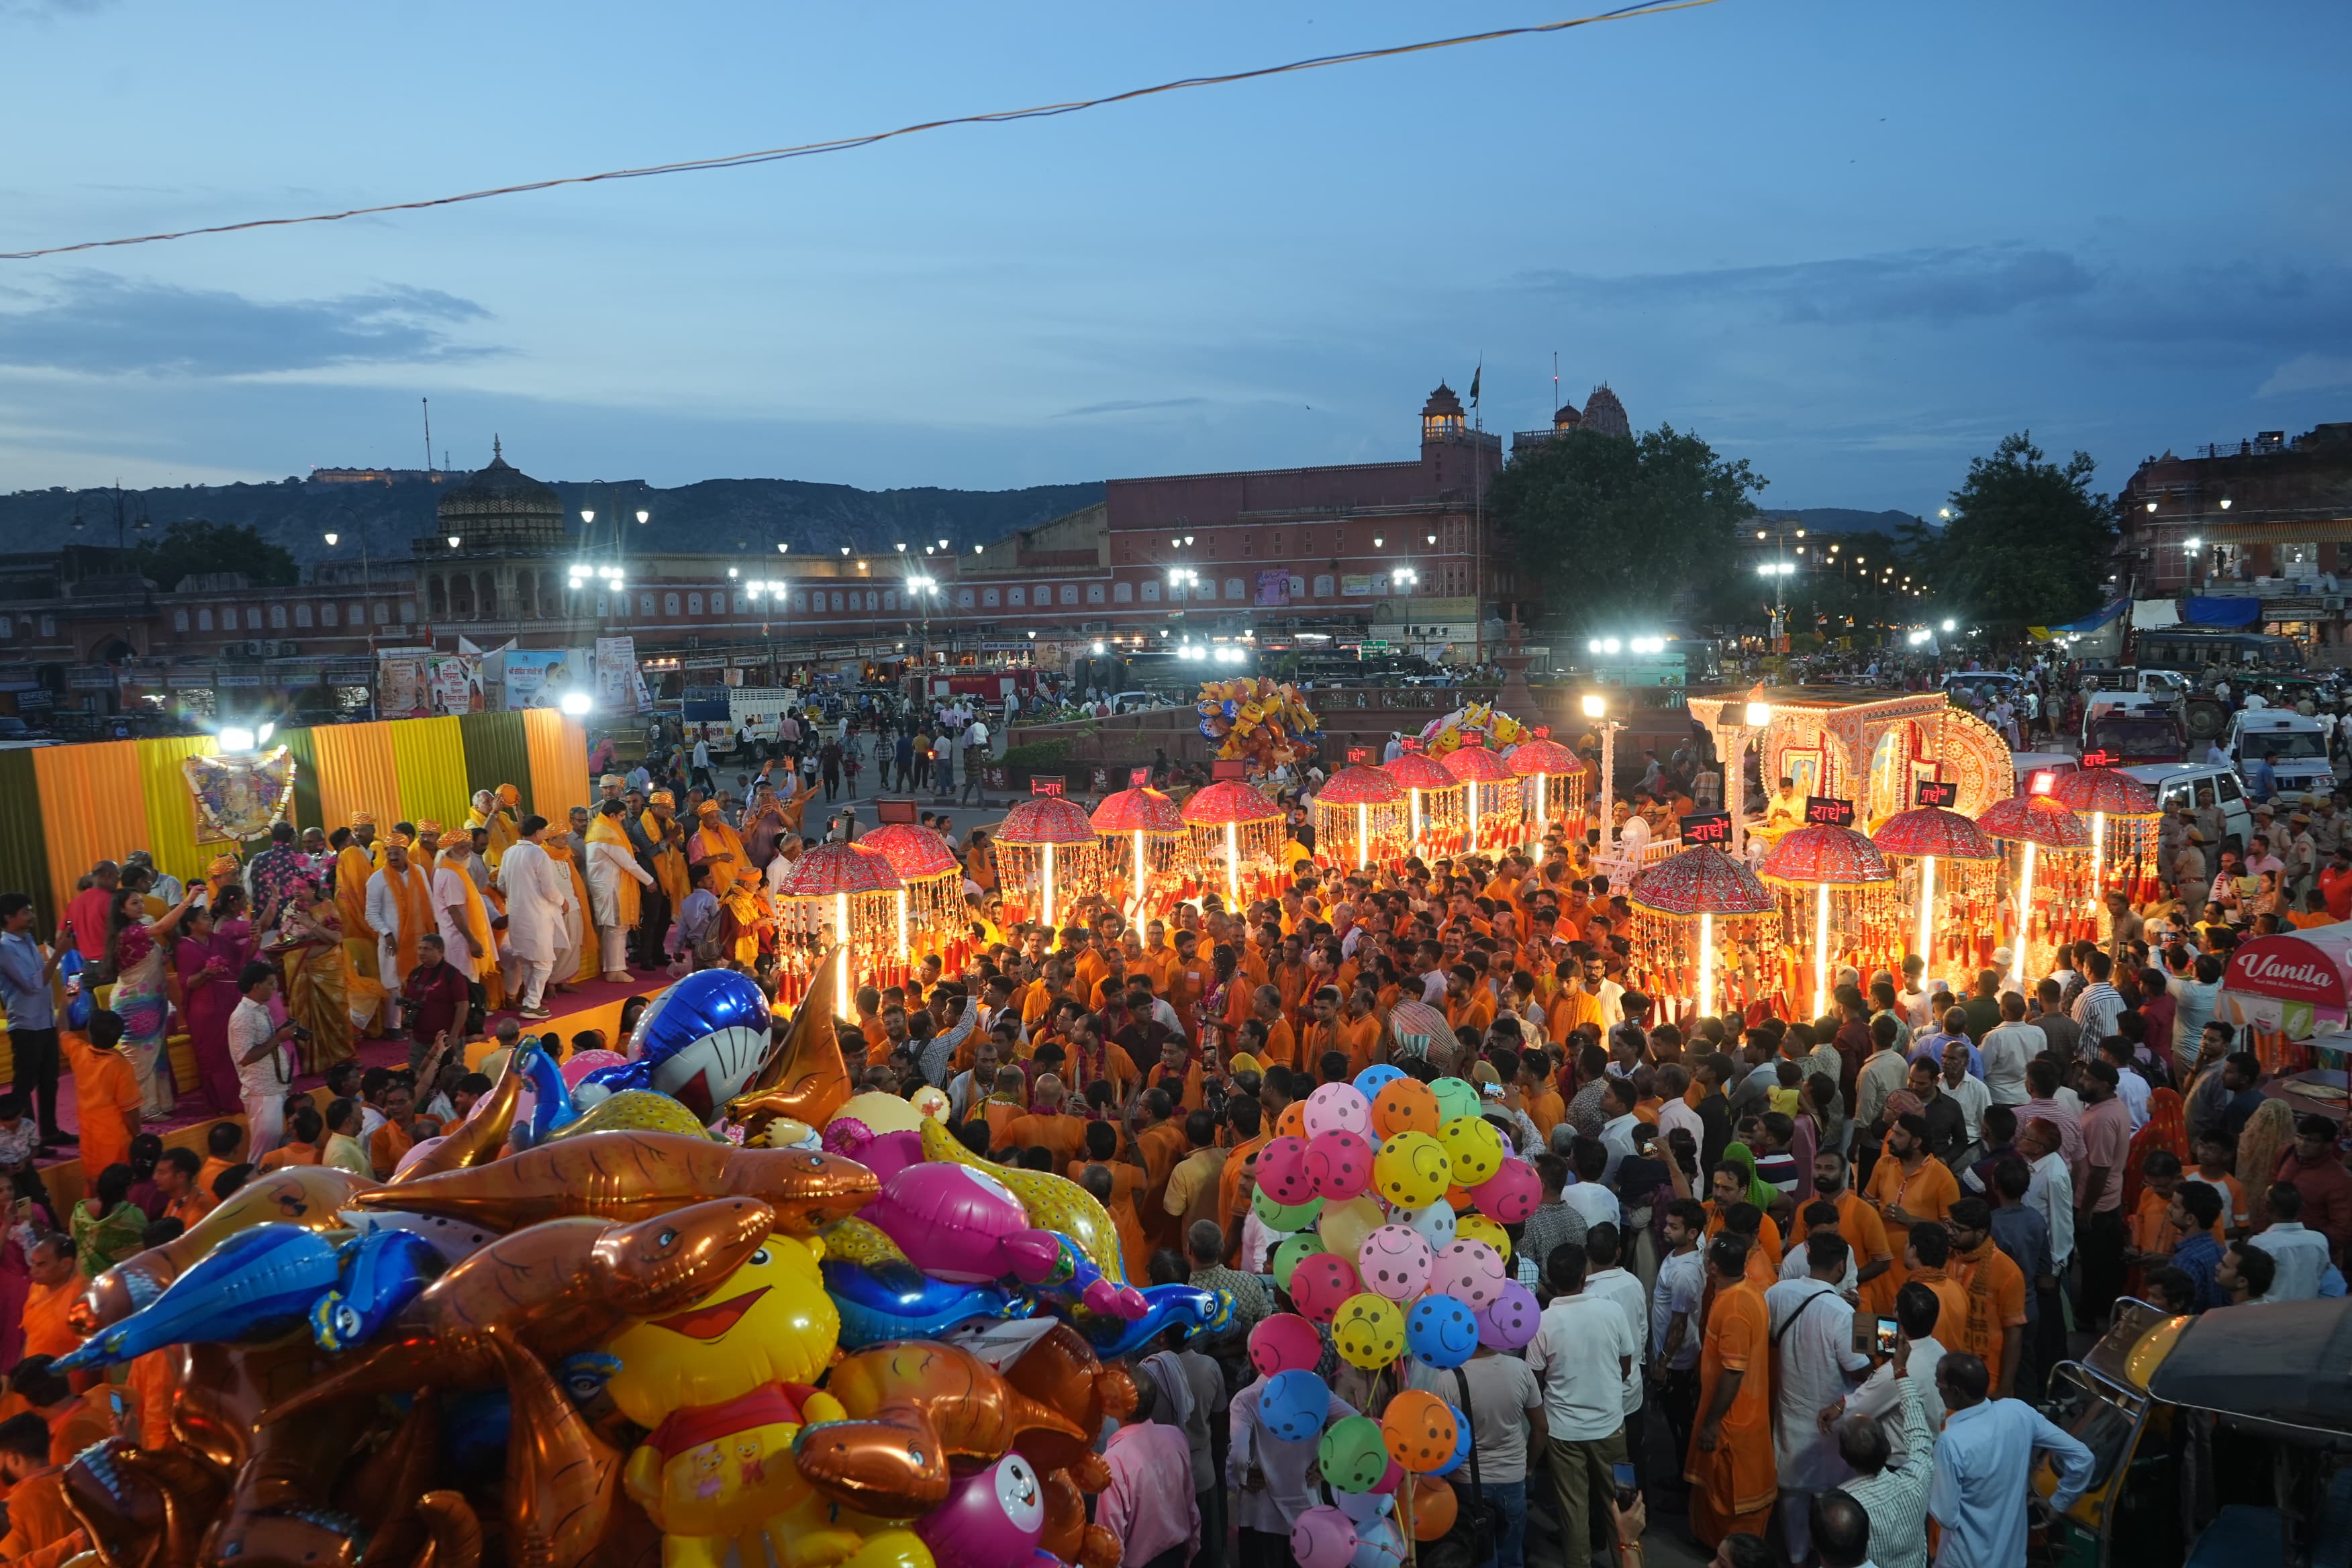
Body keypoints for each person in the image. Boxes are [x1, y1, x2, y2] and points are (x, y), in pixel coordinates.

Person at [1526, 1240, 1636, 1568]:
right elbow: (1626, 1366)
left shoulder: (1542, 1323)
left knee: (1573, 1511)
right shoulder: (1611, 1311)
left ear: (1551, 1278)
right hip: (1613, 1427)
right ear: (1585, 1274)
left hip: (1563, 1433)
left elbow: (1535, 1381)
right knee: (1623, 1502)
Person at [1928, 1351, 2094, 1568]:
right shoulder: (2018, 1411)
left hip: (1965, 1560)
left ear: (1956, 1392)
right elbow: (2082, 1456)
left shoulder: (1951, 1443)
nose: (1937, 1388)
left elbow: (1946, 1517)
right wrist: (2060, 1502)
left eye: (1940, 1384)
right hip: (2012, 1559)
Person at [1767, 1230, 1871, 1564]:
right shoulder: (1842, 1312)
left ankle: (1797, 1557)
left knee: (1792, 1496)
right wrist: (1865, 1326)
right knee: (1831, 1500)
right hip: (1830, 1423)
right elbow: (1861, 1371)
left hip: (1790, 1412)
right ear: (1841, 1267)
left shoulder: (1777, 1292)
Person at [1685, 1233, 1776, 1550]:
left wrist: (1711, 1423)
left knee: (1728, 1493)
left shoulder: (1735, 1307)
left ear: (1712, 1267)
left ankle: (1729, 1553)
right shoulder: (1745, 1290)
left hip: (1733, 1420)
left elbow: (1733, 1372)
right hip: (1738, 1413)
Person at [1099, 1375, 1199, 1568]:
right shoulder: (1175, 1436)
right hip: (1177, 1554)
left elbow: (1110, 1539)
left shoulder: (1113, 1461)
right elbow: (1190, 1502)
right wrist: (1191, 1549)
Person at [0, 894, 69, 1151]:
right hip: (26, 1023)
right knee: (25, 1084)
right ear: (8, 917)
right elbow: (33, 984)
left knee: (50, 1078)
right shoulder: (4, 949)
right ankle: (27, 1140)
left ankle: (49, 1132)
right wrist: (59, 953)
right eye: (26, 912)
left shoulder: (28, 940)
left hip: (44, 1019)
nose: (32, 916)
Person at [499, 816, 575, 1018]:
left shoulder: (509, 853)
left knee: (527, 961)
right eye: (544, 832)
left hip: (517, 914)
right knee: (543, 963)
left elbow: (501, 885)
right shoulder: (538, 853)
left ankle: (530, 1000)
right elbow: (549, 889)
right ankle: (531, 1004)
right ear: (538, 832)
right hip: (537, 915)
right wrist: (563, 901)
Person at [228, 961, 299, 1156]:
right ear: (256, 986)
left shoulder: (258, 1010)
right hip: (262, 1094)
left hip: (273, 1089)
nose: (275, 988)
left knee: (273, 1149)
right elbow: (245, 1057)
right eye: (270, 984)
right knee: (262, 1153)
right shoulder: (243, 1015)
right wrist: (279, 1038)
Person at [62, 1010, 140, 1183]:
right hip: (115, 1141)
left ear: (89, 1032)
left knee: (95, 1185)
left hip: (89, 1138)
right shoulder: (120, 1066)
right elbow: (130, 1111)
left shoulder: (78, 1051)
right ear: (119, 1037)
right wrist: (138, 1136)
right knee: (117, 1190)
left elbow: (62, 1031)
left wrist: (66, 1004)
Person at [585, 799, 654, 983]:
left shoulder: (600, 828)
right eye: (622, 816)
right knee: (617, 927)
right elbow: (628, 863)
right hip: (611, 886)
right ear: (613, 815)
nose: (623, 820)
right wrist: (649, 880)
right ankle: (614, 970)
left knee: (614, 927)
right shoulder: (606, 833)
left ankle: (613, 966)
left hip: (609, 884)